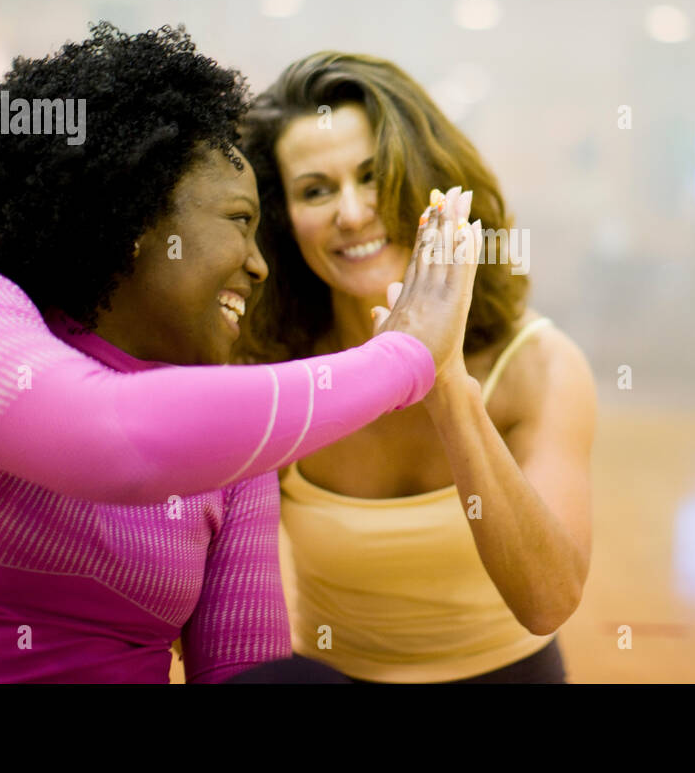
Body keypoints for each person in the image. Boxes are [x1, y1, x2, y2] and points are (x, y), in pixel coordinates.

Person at [0, 24, 478, 683]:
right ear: (135, 217)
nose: (260, 266)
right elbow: (109, 438)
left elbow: (244, 673)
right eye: (240, 221)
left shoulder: (231, 440)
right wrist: (403, 357)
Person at [231, 52, 596, 683]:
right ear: (283, 220)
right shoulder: (270, 367)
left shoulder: (541, 365)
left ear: (425, 180)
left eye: (374, 175)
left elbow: (549, 601)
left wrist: (444, 378)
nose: (350, 212)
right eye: (316, 190)